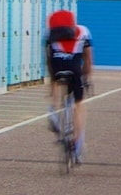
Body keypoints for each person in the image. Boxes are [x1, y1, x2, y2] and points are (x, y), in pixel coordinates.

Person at [45, 10, 93, 159]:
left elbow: (48, 58)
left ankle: (53, 109)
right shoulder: (83, 31)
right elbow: (88, 59)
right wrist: (87, 79)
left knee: (57, 78)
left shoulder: (50, 34)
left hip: (57, 65)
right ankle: (77, 144)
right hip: (74, 69)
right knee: (78, 104)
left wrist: (51, 83)